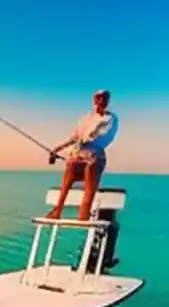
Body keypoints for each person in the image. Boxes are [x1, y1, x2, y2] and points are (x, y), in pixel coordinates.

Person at [46, 90, 118, 222]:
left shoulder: (111, 119)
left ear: (108, 101)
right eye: (99, 98)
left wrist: (86, 140)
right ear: (94, 100)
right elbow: (74, 137)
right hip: (79, 155)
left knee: (92, 166)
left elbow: (106, 137)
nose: (101, 101)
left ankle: (84, 212)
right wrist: (56, 150)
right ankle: (58, 209)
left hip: (95, 156)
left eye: (104, 98)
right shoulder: (84, 119)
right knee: (70, 165)